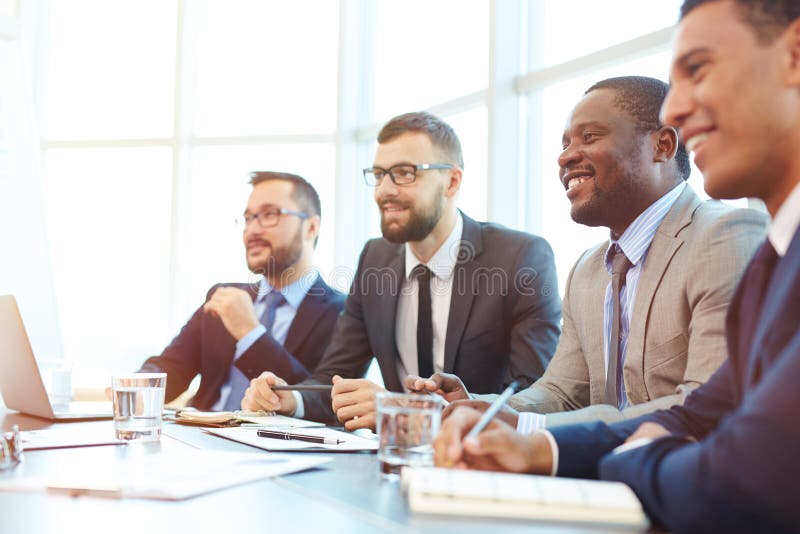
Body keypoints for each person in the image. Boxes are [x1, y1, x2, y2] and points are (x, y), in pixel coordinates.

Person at [435, 0, 800, 531]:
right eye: (563, 142)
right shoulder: (773, 256)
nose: (675, 107)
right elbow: (681, 413)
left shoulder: (730, 237)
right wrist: (508, 425)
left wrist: (630, 459)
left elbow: (740, 465)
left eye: (697, 69)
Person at [407, 77, 766, 430]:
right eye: (564, 143)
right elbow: (561, 393)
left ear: (663, 145)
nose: (565, 157)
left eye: (589, 137)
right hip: (599, 474)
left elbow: (710, 406)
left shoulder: (723, 237)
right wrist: (480, 407)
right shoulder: (588, 270)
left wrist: (529, 427)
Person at [242, 111, 562, 430]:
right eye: (379, 174)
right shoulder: (374, 258)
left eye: (405, 173)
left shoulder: (520, 257)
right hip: (393, 462)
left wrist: (409, 410)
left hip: (483, 463)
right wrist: (289, 399)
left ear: (452, 181)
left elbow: (531, 395)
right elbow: (335, 380)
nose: (385, 190)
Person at [138, 172, 345, 411]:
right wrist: (134, 387)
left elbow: (322, 401)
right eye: (248, 218)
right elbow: (172, 367)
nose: (252, 230)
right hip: (201, 437)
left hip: (278, 446)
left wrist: (250, 333)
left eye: (270, 215)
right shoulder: (224, 296)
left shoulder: (343, 312)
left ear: (311, 227)